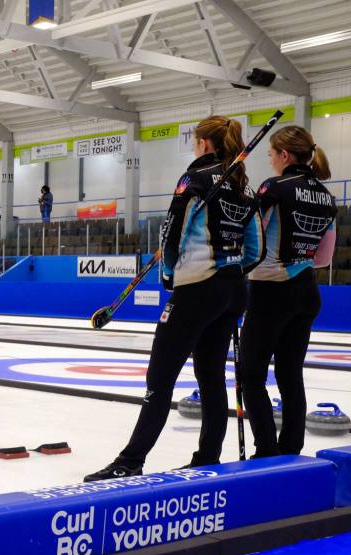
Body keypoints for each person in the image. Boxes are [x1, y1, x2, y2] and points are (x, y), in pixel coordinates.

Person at [85, 115, 263, 481]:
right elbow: (255, 249)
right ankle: (207, 457)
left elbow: (170, 236)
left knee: (160, 378)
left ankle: (131, 460)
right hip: (233, 290)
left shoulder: (194, 178)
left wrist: (170, 275)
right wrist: (229, 266)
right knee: (211, 377)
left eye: (196, 141)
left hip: (197, 289)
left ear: (204, 144)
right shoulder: (244, 186)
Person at [241, 126, 337, 459]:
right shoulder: (327, 195)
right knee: (289, 373)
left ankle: (266, 450)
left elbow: (252, 237)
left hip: (271, 291)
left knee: (251, 373)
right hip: (307, 290)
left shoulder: (274, 187)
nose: (270, 160)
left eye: (270, 154)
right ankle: (291, 450)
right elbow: (324, 258)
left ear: (283, 155)